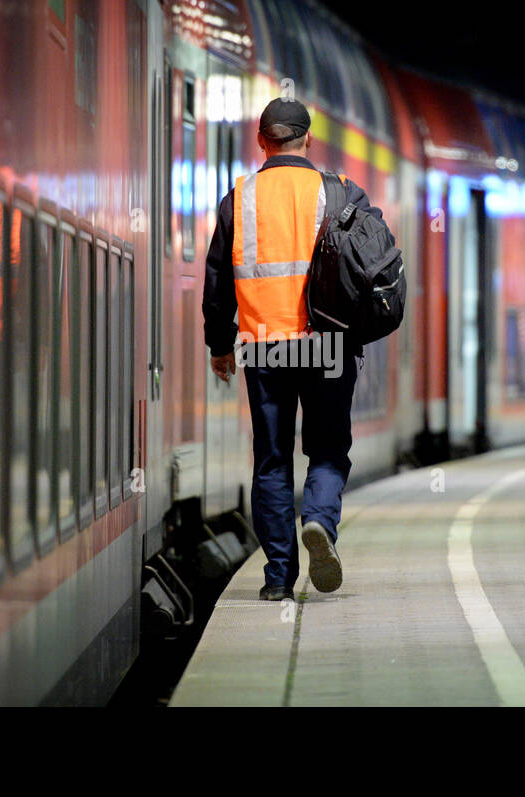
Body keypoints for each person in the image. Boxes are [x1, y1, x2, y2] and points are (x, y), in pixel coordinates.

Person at [202, 96, 384, 601]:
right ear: (309, 140)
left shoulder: (239, 198)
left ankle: (278, 577)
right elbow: (372, 266)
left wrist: (220, 344)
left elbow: (216, 282)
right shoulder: (341, 193)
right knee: (327, 450)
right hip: (327, 344)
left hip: (265, 348)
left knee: (272, 459)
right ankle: (320, 522)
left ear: (262, 140)